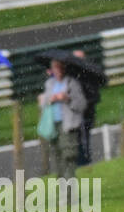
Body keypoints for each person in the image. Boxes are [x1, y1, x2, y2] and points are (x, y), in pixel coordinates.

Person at [37, 59, 87, 203]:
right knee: (57, 160)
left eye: (59, 67)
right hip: (53, 126)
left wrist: (67, 98)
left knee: (68, 158)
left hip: (68, 125)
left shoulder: (72, 84)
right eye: (54, 67)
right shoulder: (50, 84)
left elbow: (81, 104)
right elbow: (43, 103)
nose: (57, 70)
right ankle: (63, 194)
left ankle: (71, 195)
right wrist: (50, 99)